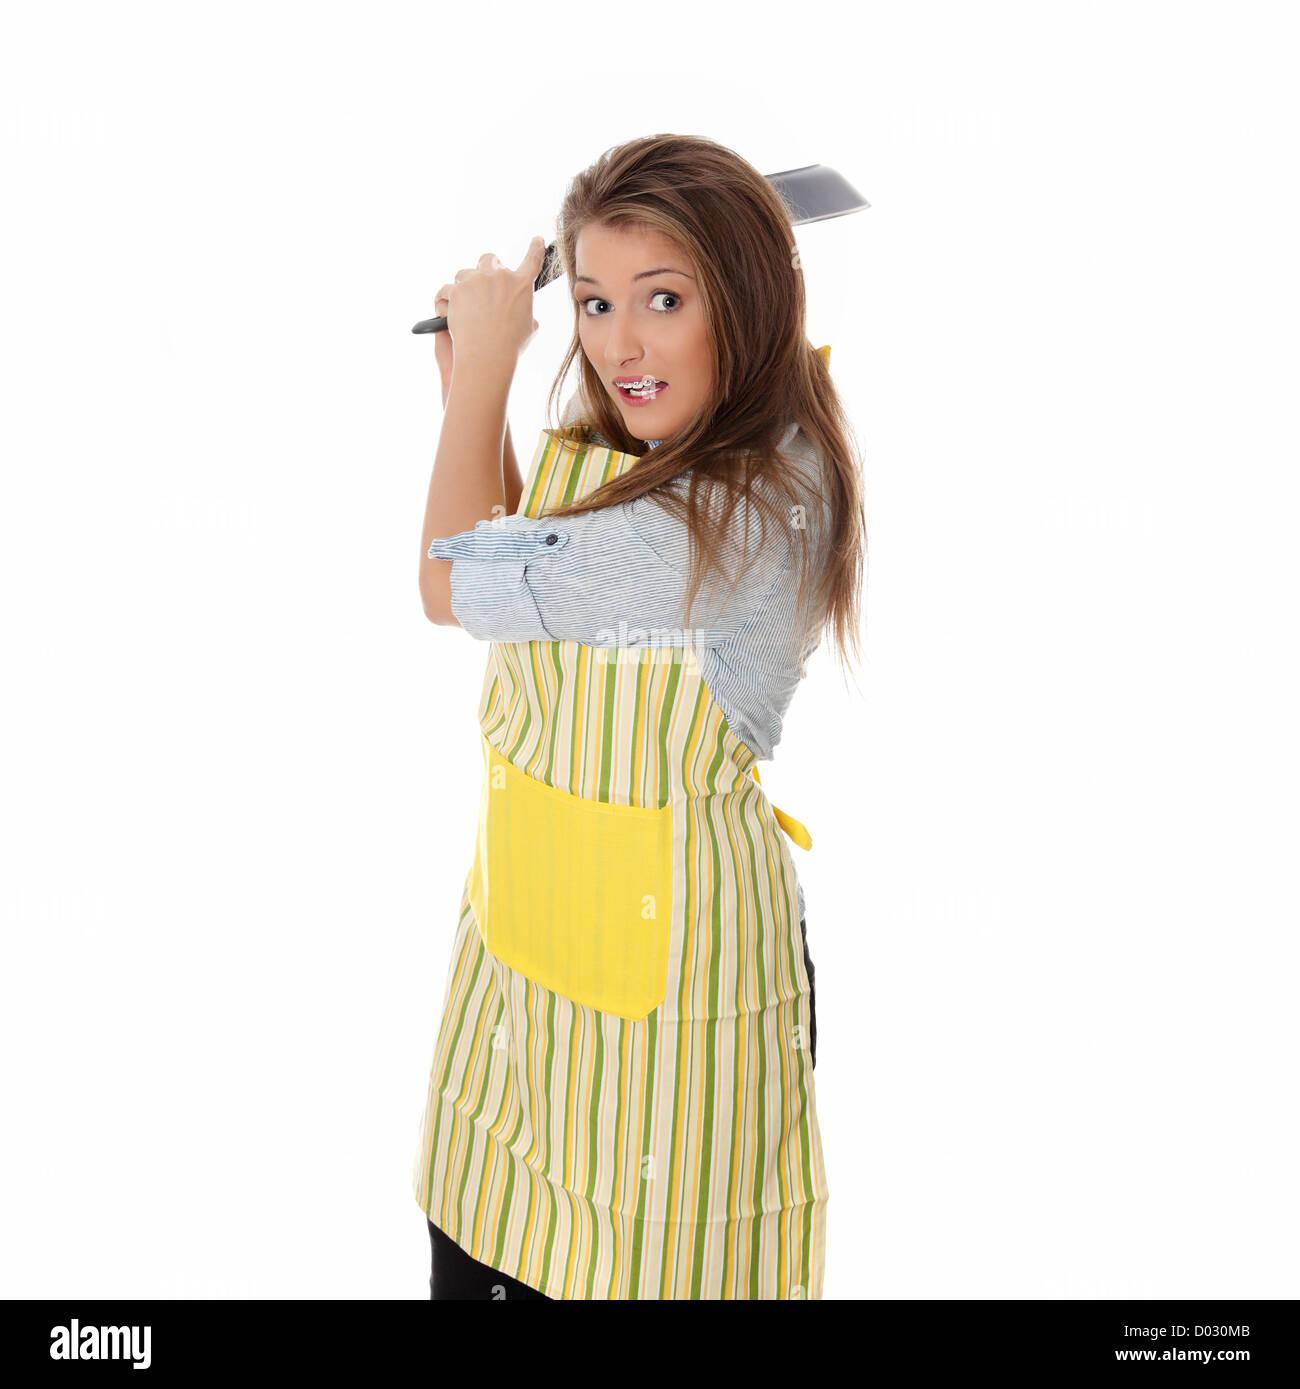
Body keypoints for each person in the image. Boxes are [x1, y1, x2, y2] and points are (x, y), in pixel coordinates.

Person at [412, 134, 865, 1300]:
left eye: (664, 299)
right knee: (491, 1242)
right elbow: (527, 574)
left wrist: (479, 387)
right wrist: (472, 400)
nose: (619, 346)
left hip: (674, 999)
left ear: (750, 301)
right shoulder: (715, 453)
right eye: (599, 301)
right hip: (529, 956)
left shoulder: (738, 517)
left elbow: (453, 584)